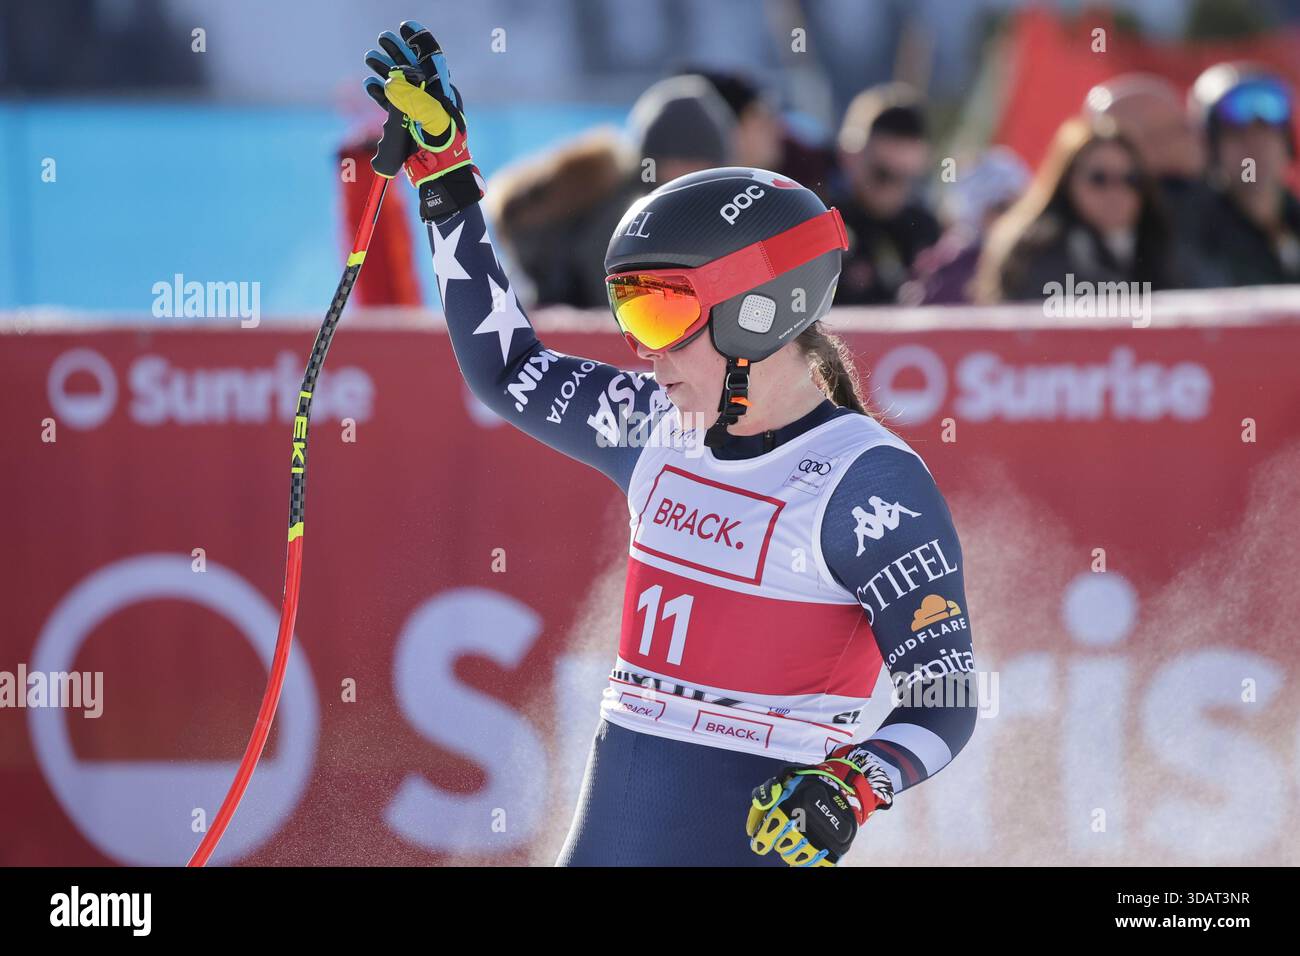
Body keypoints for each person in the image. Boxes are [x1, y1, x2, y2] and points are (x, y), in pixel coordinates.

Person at [363, 22, 976, 867]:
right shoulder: (660, 424)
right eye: (631, 316)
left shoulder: (867, 487)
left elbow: (945, 697)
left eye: (662, 314)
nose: (644, 350)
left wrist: (851, 783)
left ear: (760, 314)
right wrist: (444, 172)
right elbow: (509, 367)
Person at [486, 74, 735, 309]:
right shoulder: (630, 221)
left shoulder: (655, 211)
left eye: (704, 171)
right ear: (653, 162)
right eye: (684, 166)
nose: (692, 183)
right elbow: (621, 313)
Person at [973, 115, 1177, 303]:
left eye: (1130, 179)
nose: (1117, 192)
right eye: (1099, 179)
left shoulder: (1161, 245)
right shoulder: (1033, 251)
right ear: (1066, 181)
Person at [1182, 63, 1300, 288]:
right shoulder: (1187, 230)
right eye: (1238, 136)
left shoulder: (1294, 221)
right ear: (1212, 149)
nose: (1255, 149)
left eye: (1266, 134)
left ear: (1287, 144)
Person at [828, 83, 941, 304]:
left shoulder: (925, 229)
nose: (895, 189)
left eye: (908, 178)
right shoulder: (825, 227)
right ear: (849, 156)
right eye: (882, 175)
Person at [903, 146, 1030, 305]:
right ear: (979, 210)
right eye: (1002, 207)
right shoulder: (948, 264)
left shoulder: (1024, 259)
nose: (1012, 217)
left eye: (1020, 207)